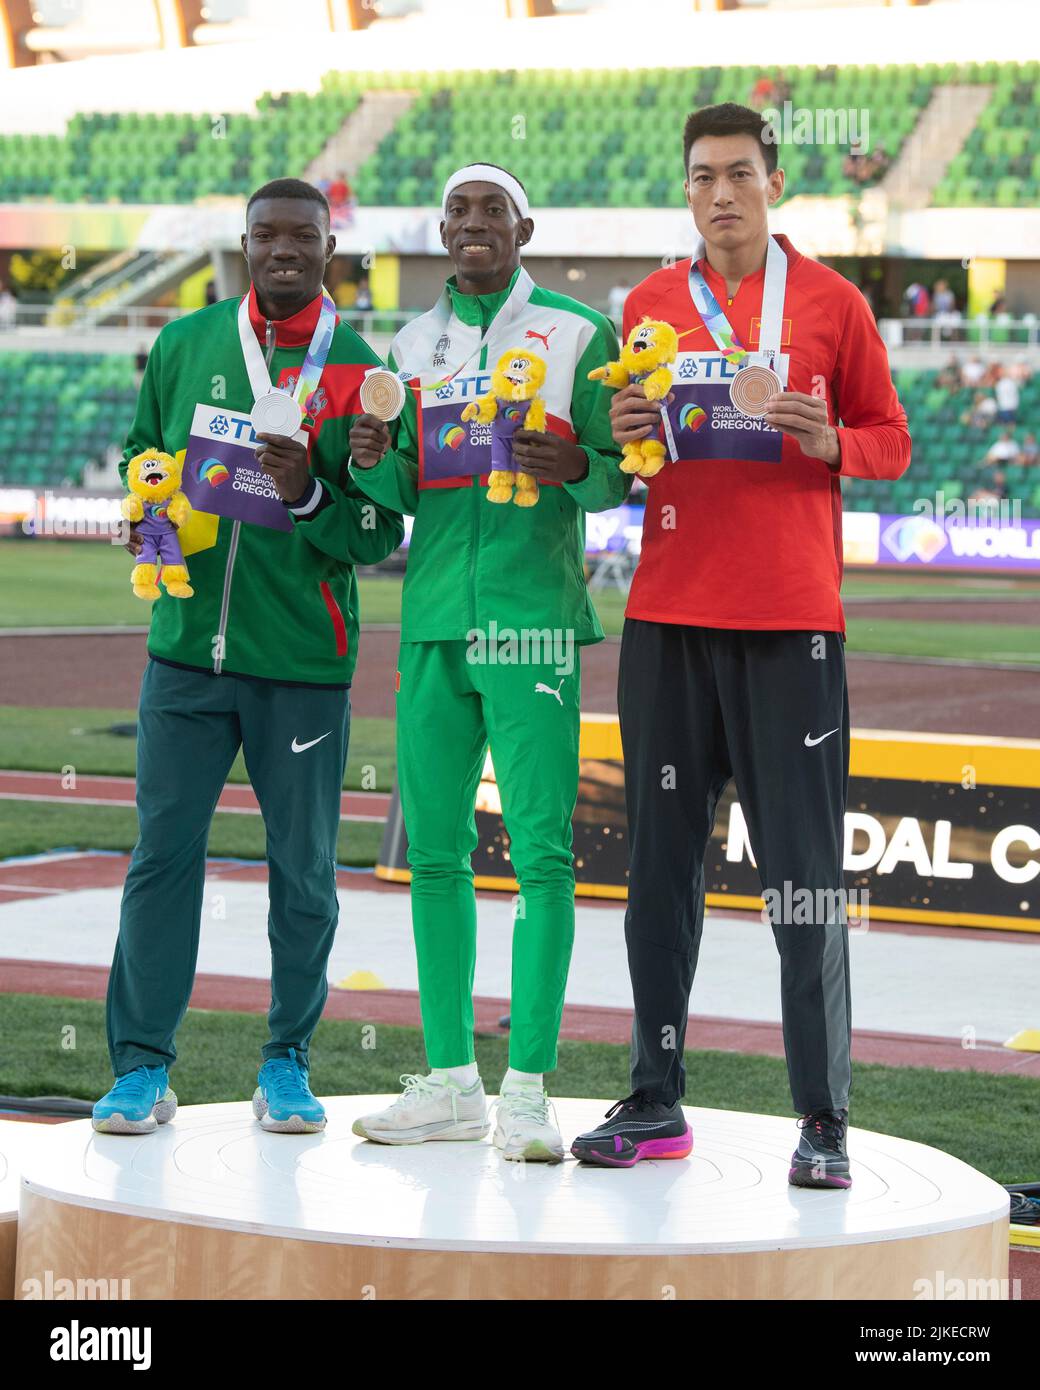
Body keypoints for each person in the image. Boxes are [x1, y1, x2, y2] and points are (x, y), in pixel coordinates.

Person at [570, 103, 910, 1186]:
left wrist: (832, 440)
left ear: (773, 185)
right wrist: (630, 435)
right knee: (658, 874)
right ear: (685, 191)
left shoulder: (832, 303)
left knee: (802, 882)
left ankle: (821, 1118)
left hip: (789, 628)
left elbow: (890, 441)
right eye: (701, 176)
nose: (719, 193)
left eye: (738, 174)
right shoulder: (650, 303)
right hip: (667, 620)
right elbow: (643, 453)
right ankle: (654, 1097)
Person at [92, 179, 404, 1137]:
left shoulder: (357, 368)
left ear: (327, 245)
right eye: (266, 234)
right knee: (160, 860)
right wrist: (150, 538)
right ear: (243, 243)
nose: (282, 250)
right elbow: (147, 458)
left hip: (302, 663)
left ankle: (287, 1062)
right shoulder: (186, 344)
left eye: (301, 236)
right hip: (185, 657)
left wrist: (311, 493)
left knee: (303, 871)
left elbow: (378, 527)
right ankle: (142, 1068)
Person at [348, 163, 626, 1163]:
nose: (473, 224)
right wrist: (371, 449)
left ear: (524, 226)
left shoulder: (578, 333)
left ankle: (528, 1090)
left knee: (543, 854)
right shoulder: (410, 345)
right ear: (441, 228)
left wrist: (576, 467)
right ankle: (451, 1080)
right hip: (430, 620)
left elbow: (613, 474)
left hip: (533, 621)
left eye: (491, 210)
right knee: (434, 855)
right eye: (458, 210)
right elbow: (398, 490)